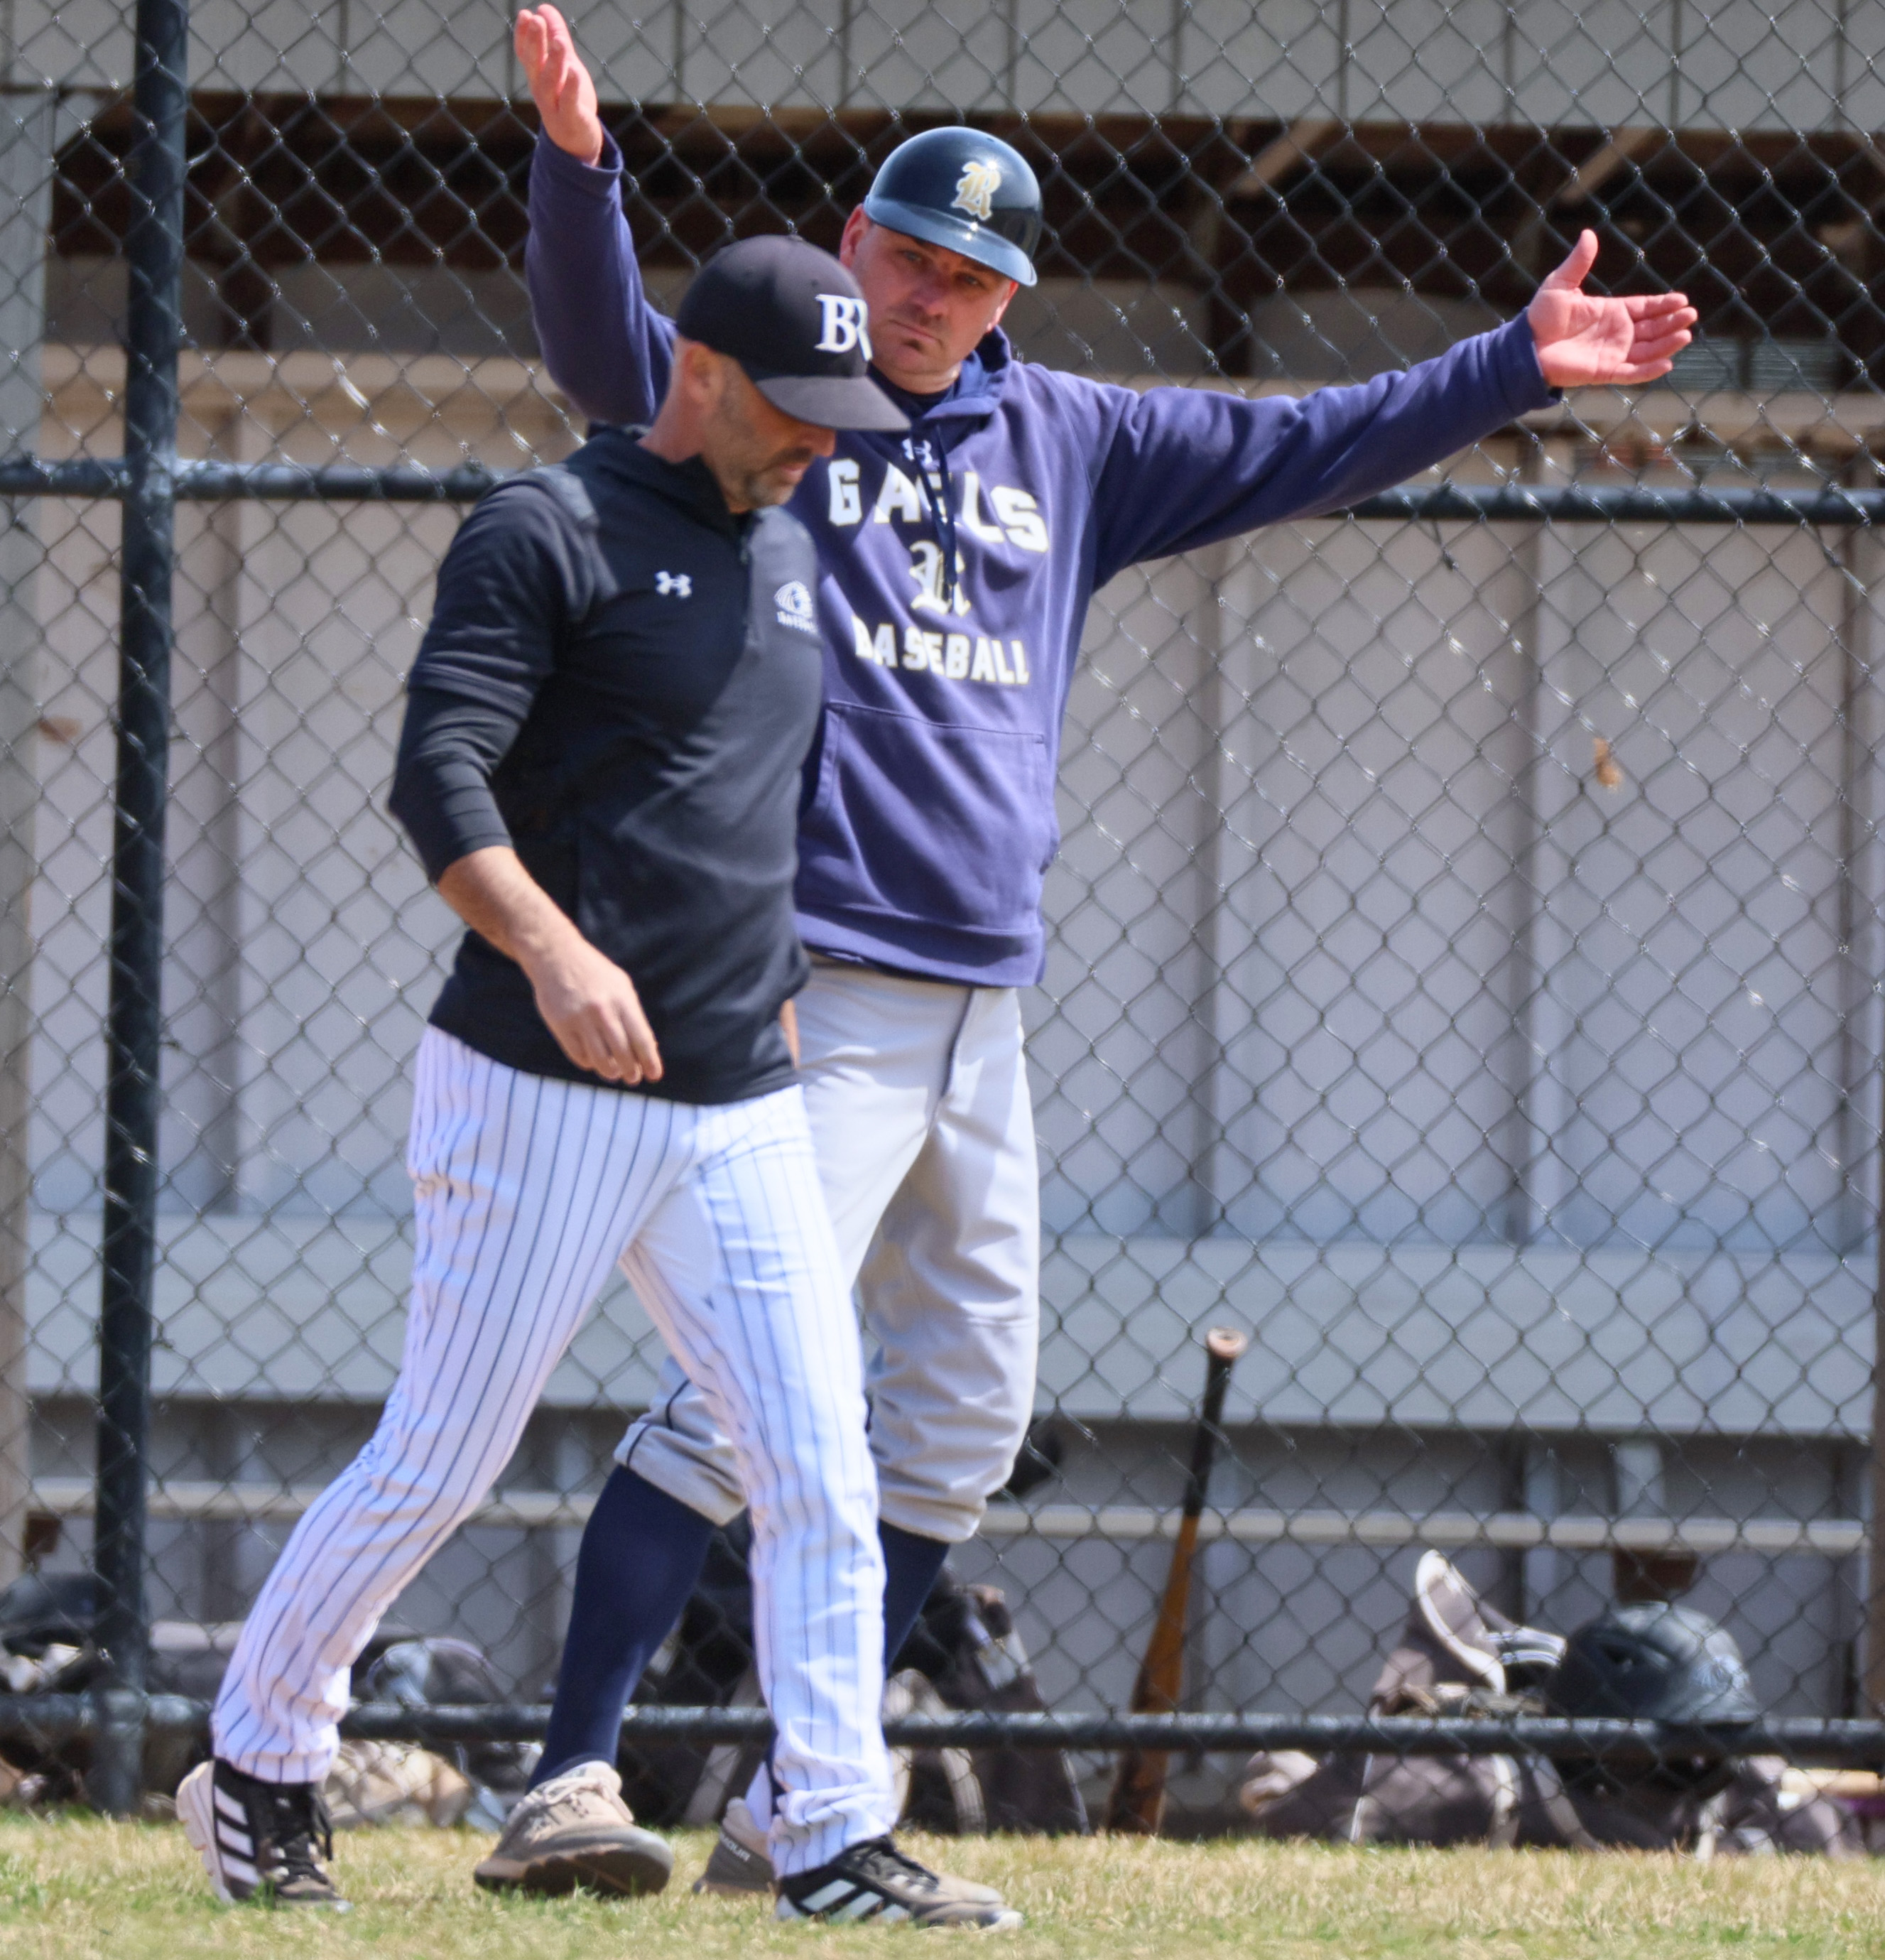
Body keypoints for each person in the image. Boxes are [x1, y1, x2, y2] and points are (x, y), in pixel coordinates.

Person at [495, 1, 1697, 1899]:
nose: (927, 295)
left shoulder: (1075, 439)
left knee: (957, 1419)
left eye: (970, 276)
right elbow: (598, 348)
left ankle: (782, 1808)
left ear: (1006, 298)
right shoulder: (777, 409)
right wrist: (579, 172)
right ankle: (567, 1780)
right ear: (853, 245)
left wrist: (1507, 368)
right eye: (904, 255)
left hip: (984, 1007)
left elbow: (1306, 437)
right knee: (742, 1402)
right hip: (805, 982)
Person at [179, 234, 1021, 1930]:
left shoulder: (786, 551)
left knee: (816, 1468)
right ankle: (258, 1762)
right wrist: (555, 953)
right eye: (795, 408)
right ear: (698, 373)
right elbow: (439, 777)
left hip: (738, 1102)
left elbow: (748, 804)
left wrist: (772, 1004)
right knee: (442, 1455)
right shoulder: (542, 533)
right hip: (537, 1085)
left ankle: (834, 1834)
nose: (822, 443)